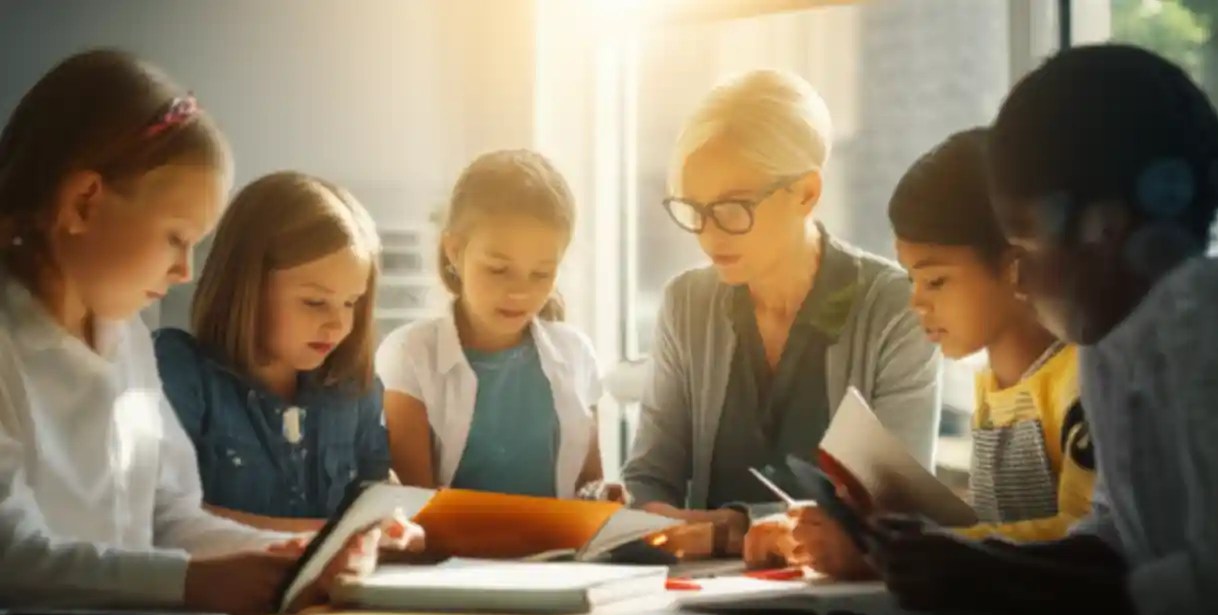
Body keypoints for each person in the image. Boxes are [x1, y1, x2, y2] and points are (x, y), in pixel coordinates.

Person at [866, 45, 1218, 615]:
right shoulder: (1113, 342)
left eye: (1025, 250)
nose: (1021, 281)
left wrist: (999, 582)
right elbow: (1120, 538)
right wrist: (964, 561)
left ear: (1106, 231)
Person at [0, 49, 379, 615]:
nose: (186, 271)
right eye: (177, 238)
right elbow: (13, 557)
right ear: (83, 203)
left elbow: (168, 515)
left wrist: (299, 556)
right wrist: (191, 584)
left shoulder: (126, 338)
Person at [622, 69, 941, 557]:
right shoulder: (686, 304)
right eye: (695, 209)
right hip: (698, 600)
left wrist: (730, 528)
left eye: (732, 208)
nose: (709, 235)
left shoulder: (894, 310)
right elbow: (649, 478)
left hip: (842, 603)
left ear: (806, 193)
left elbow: (895, 511)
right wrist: (646, 514)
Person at [782, 128, 1097, 575]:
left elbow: (1084, 534)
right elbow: (1006, 526)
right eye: (911, 280)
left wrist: (904, 550)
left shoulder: (1085, 383)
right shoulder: (991, 385)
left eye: (935, 281)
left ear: (1016, 268)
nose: (917, 302)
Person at [155, 172, 389, 532]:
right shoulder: (180, 372)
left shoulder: (355, 389)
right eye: (314, 302)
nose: (339, 325)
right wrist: (328, 538)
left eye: (351, 302)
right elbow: (163, 519)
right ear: (246, 287)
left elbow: (377, 496)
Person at [377, 150, 605, 498]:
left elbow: (589, 492)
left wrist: (607, 499)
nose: (519, 292)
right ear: (454, 250)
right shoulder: (409, 354)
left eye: (542, 273)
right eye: (498, 269)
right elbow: (413, 507)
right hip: (451, 552)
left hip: (560, 553)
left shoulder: (576, 354)